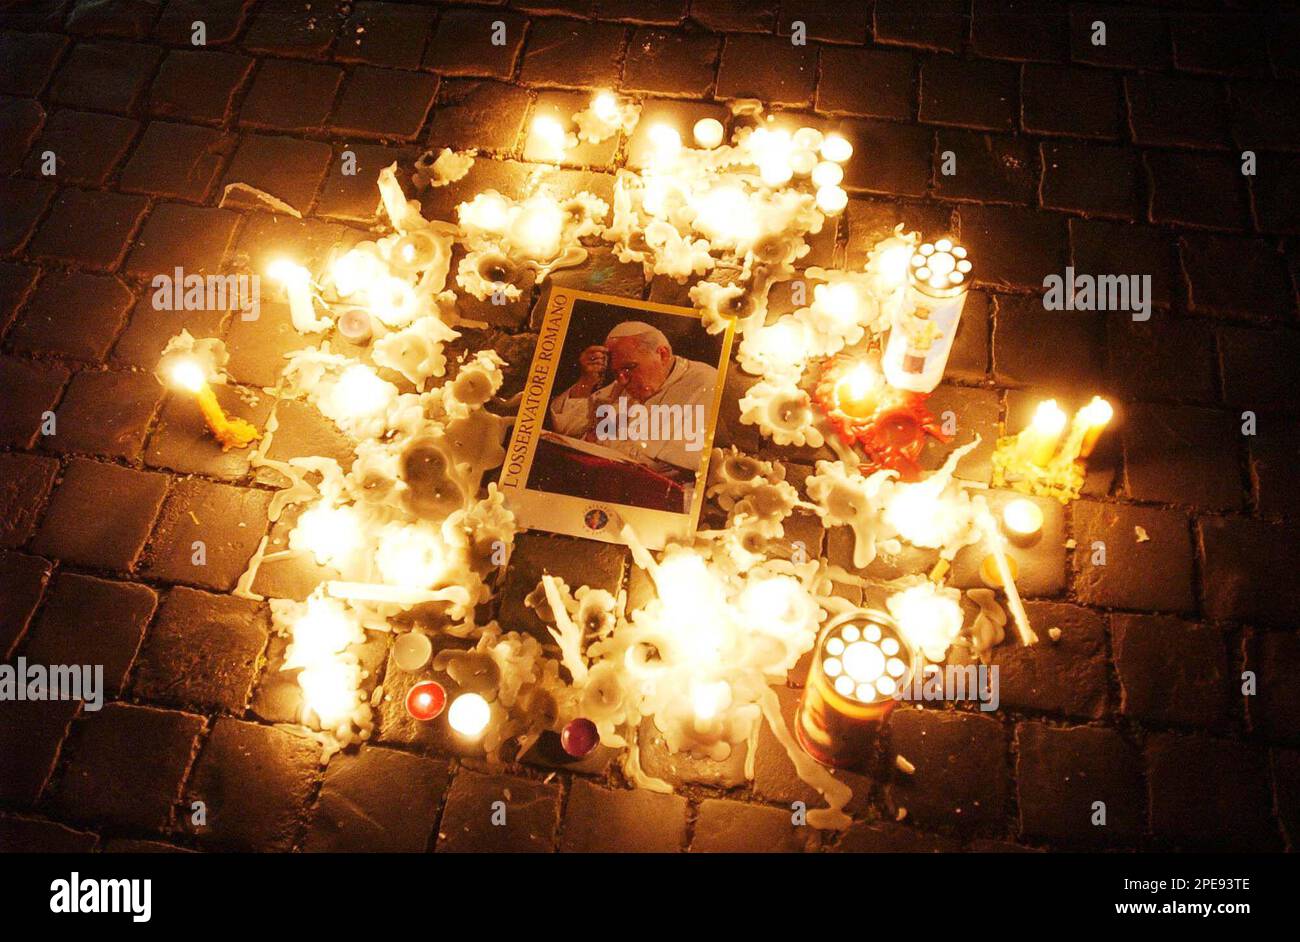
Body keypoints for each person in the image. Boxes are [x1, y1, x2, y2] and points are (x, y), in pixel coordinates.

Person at [549, 320, 718, 470]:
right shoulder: (623, 384)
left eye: (629, 367)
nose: (622, 380)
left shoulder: (704, 381)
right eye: (616, 372)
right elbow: (567, 428)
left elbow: (664, 462)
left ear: (663, 354)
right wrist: (587, 380)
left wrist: (601, 440)